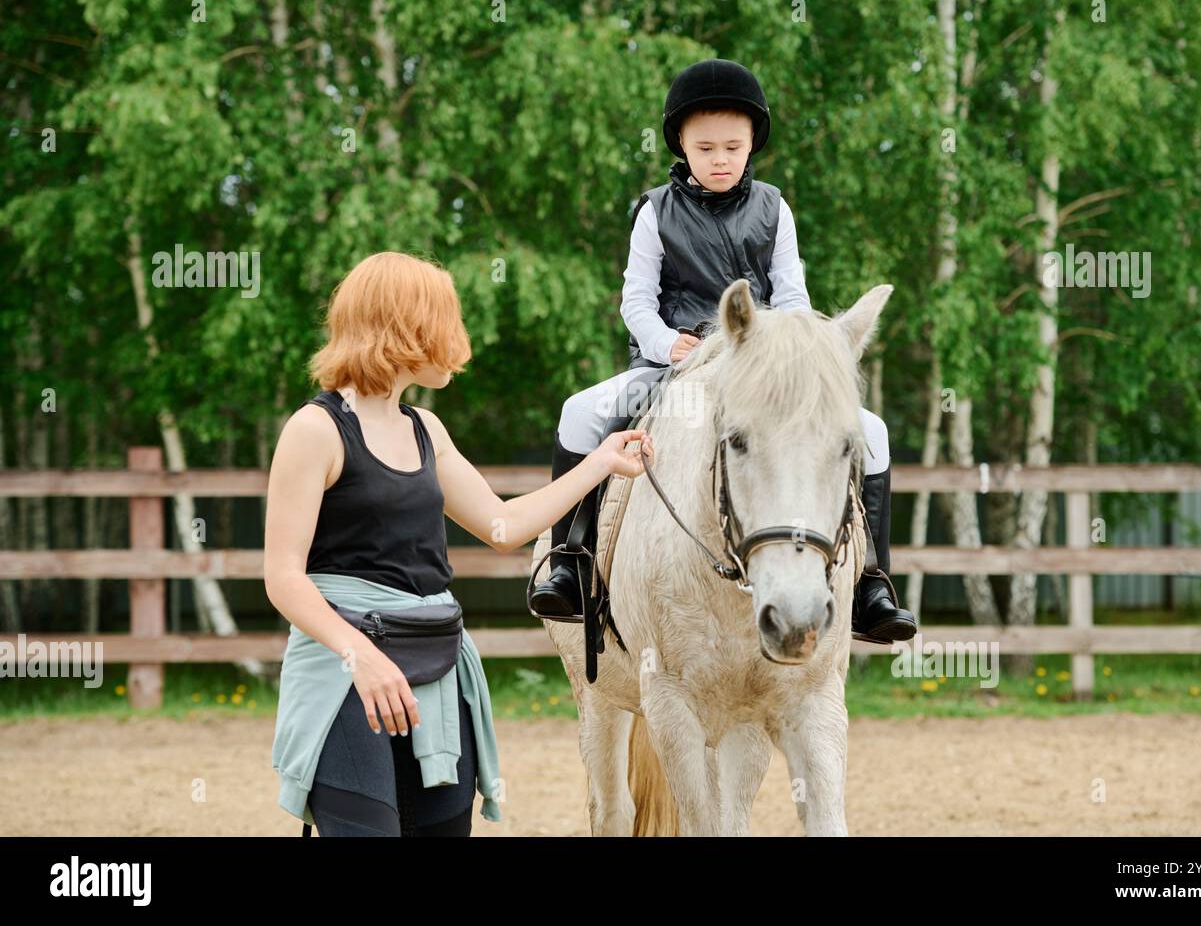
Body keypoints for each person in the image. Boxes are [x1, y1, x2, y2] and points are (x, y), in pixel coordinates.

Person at [527, 58, 916, 645]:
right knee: (579, 412)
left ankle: (869, 581)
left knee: (874, 433)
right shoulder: (654, 212)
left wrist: (784, 353)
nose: (720, 159)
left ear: (751, 143)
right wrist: (666, 344)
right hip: (670, 367)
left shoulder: (775, 209)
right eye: (705, 147)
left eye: (732, 147)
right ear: (681, 144)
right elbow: (635, 301)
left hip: (756, 373)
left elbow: (791, 297)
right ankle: (570, 561)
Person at [265, 251, 654, 836]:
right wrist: (361, 656)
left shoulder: (425, 427)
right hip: (344, 679)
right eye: (444, 318)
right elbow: (284, 578)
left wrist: (599, 462)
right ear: (405, 327)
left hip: (437, 669)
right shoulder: (315, 429)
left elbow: (502, 526)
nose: (457, 336)